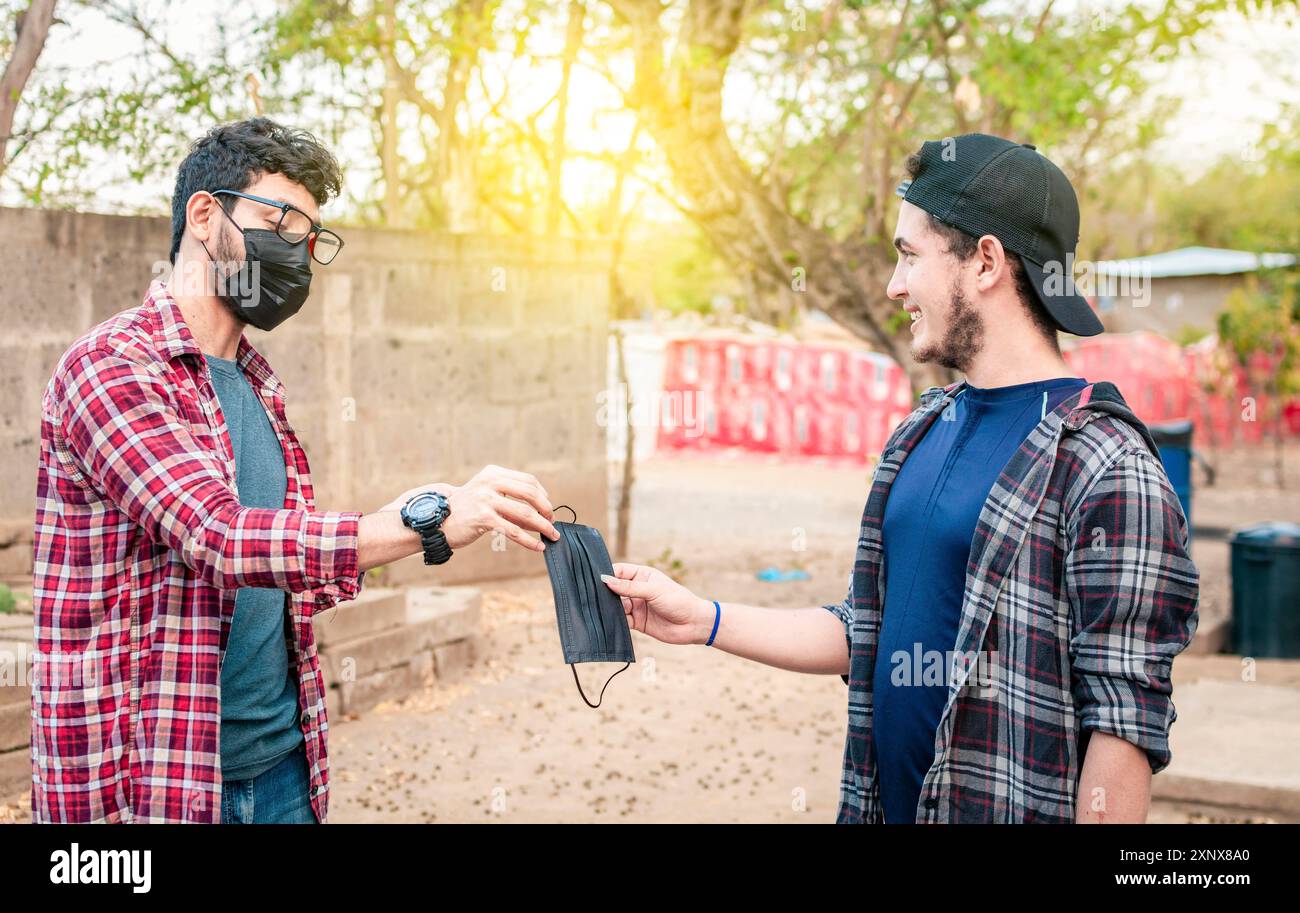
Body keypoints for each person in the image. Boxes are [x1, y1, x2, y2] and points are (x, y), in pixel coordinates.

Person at [604, 134, 1199, 824]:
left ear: (985, 262)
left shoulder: (1105, 464)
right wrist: (702, 617)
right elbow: (869, 630)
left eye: (909, 256)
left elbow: (1122, 724)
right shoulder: (923, 427)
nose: (893, 285)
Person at [30, 117, 559, 824]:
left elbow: (288, 562)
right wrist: (409, 523)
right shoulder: (113, 366)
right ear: (204, 213)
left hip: (284, 770)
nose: (297, 253)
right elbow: (218, 536)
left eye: (310, 237)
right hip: (152, 782)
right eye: (280, 222)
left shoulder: (256, 384)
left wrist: (422, 516)